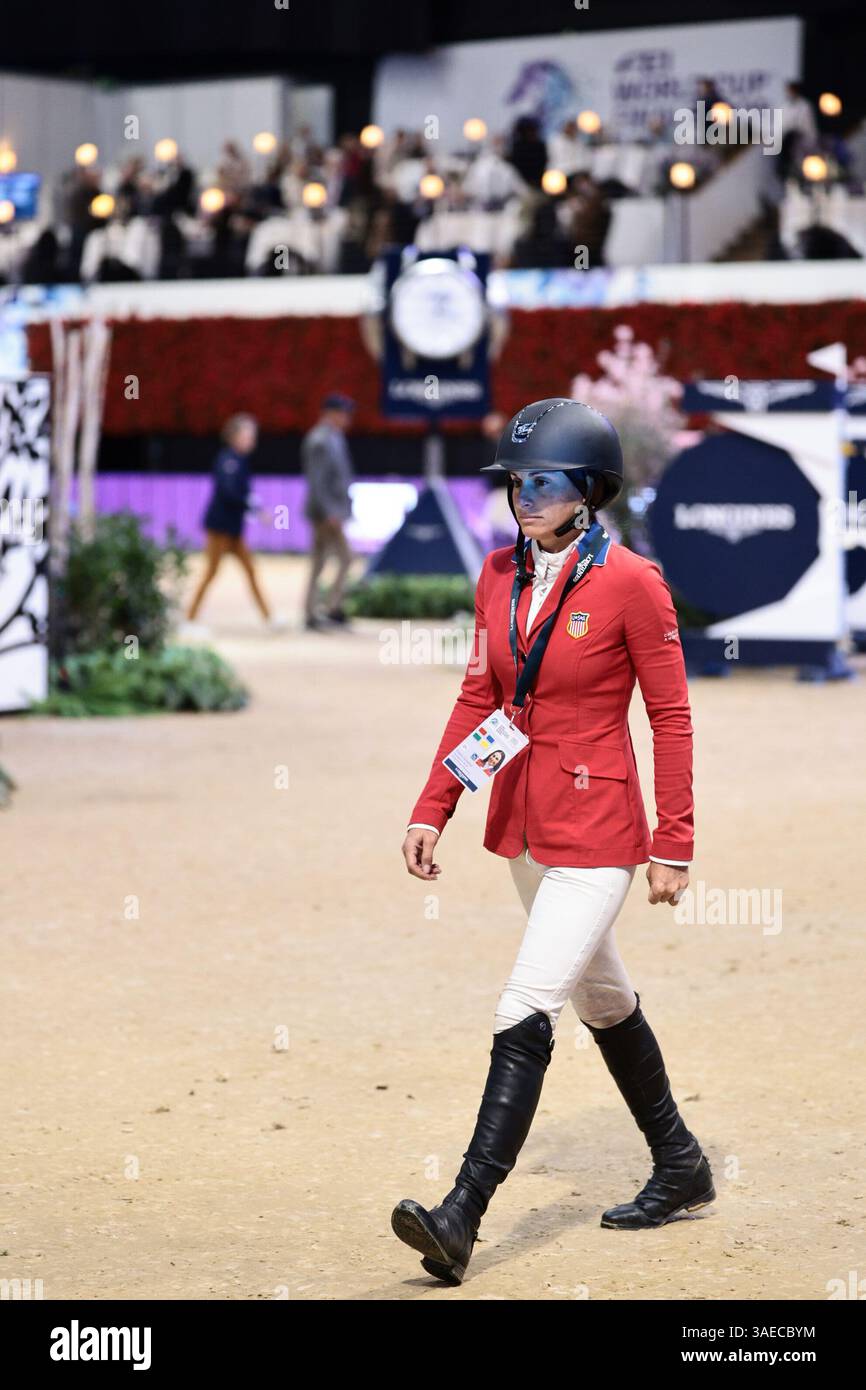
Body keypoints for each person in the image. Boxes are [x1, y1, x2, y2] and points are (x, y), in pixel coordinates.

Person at [391, 398, 712, 1285]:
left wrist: (673, 839)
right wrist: (434, 805)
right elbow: (482, 703)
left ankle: (462, 1214)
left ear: (588, 491)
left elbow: (671, 714)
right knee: (602, 1000)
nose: (524, 498)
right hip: (525, 826)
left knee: (525, 1004)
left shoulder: (633, 583)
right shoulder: (497, 574)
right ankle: (681, 1164)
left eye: (542, 484)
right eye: (515, 483)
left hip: (601, 832)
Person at [186, 413, 281, 628]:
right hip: (219, 528)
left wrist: (253, 507)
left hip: (234, 529)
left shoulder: (239, 460)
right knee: (211, 573)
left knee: (250, 570)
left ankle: (268, 617)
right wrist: (255, 508)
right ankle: (189, 618)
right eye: (248, 435)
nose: (251, 440)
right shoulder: (228, 460)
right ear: (234, 436)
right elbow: (229, 493)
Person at [300, 393, 356, 631]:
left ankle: (323, 609)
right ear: (331, 413)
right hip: (325, 514)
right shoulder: (320, 440)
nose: (347, 418)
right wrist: (329, 512)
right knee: (336, 559)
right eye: (343, 413)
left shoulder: (333, 437)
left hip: (331, 512)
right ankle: (323, 610)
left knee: (326, 561)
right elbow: (318, 481)